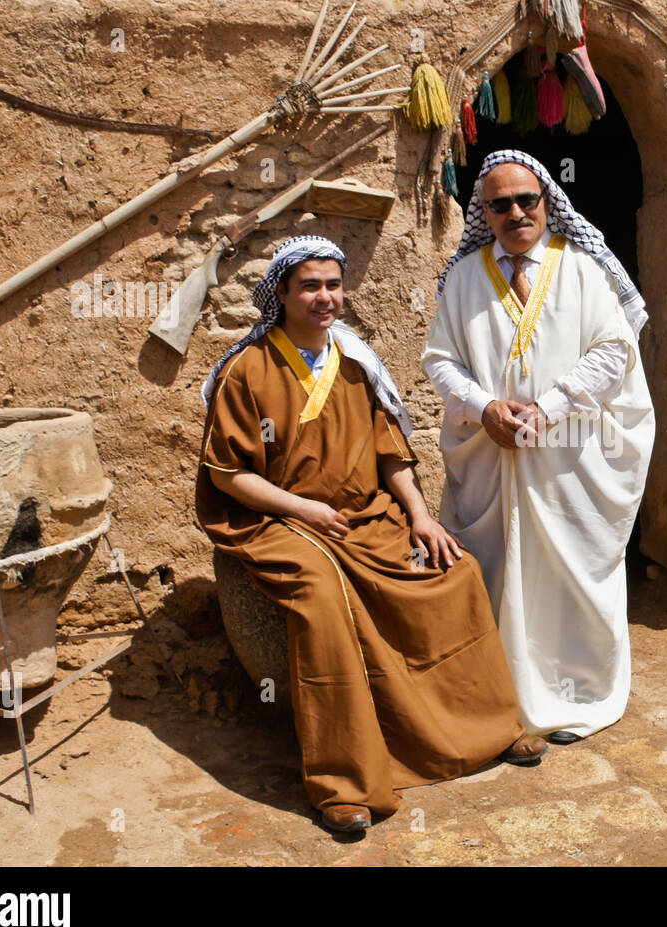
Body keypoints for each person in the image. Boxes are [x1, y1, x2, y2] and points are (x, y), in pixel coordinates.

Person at [196, 235, 546, 834]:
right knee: (324, 602)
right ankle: (345, 782)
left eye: (333, 285)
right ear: (282, 293)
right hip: (281, 522)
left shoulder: (356, 362)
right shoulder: (246, 371)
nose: (324, 297)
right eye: (310, 285)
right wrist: (303, 511)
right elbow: (230, 475)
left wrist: (419, 514)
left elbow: (391, 454)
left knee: (453, 572)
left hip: (365, 515)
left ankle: (488, 731)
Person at [422, 150, 655, 744]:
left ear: (547, 202)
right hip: (493, 455)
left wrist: (547, 410)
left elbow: (613, 352)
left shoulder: (582, 268)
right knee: (498, 573)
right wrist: (484, 407)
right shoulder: (466, 275)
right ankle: (502, 696)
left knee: (574, 574)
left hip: (569, 460)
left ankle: (579, 696)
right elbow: (441, 361)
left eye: (527, 200)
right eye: (499, 204)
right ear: (485, 212)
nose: (516, 212)